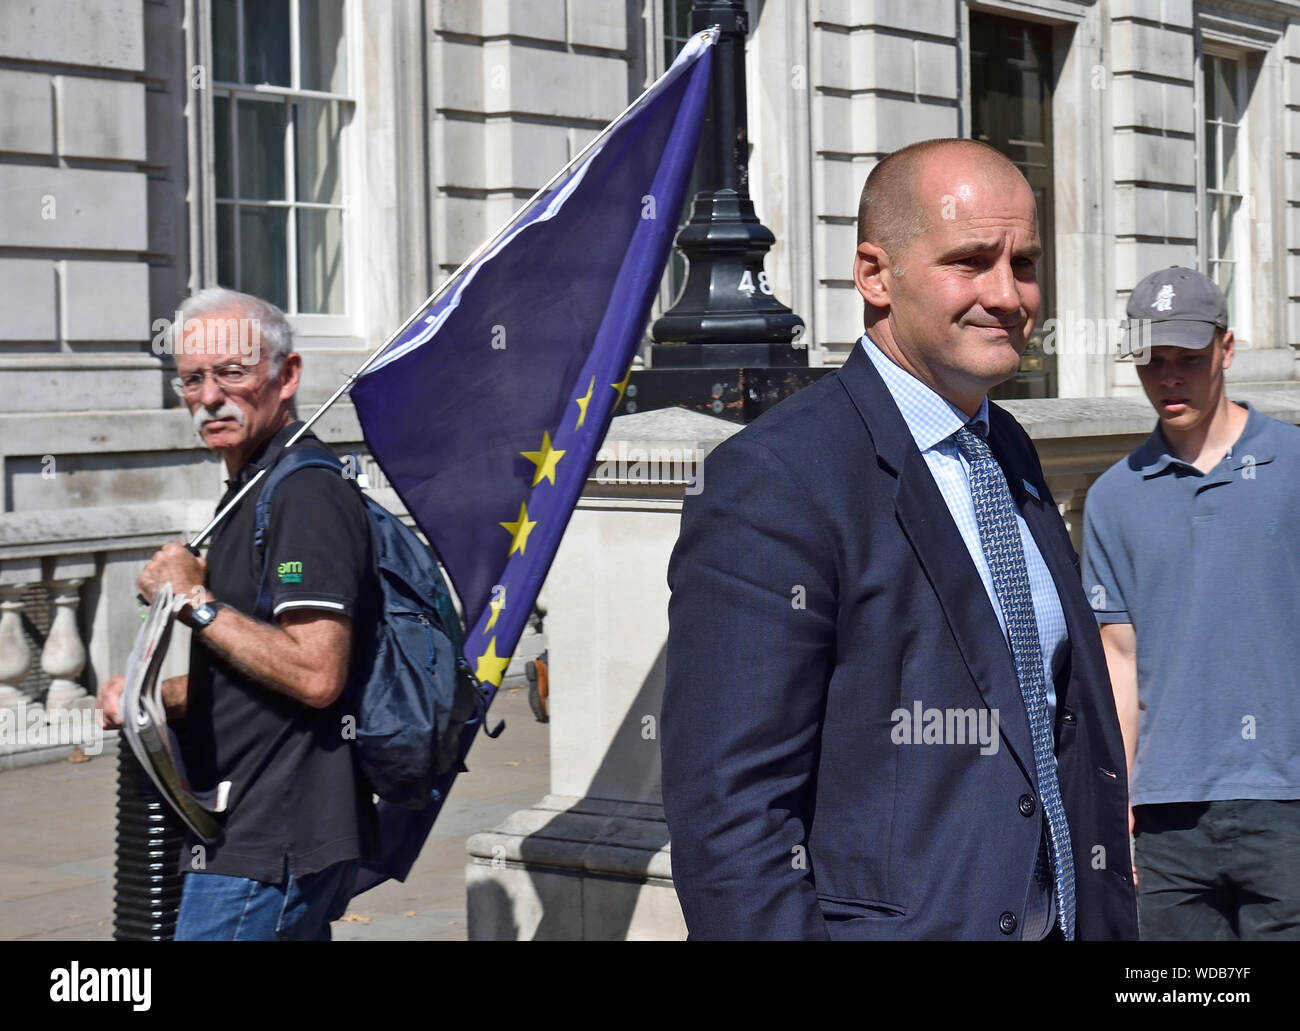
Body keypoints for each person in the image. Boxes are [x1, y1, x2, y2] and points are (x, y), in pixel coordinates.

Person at [661, 138, 1137, 940]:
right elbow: (729, 814)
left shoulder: (1010, 447)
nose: (1008, 293)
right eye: (970, 260)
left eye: (1023, 263)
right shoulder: (775, 480)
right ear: (876, 275)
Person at [101, 287, 377, 941]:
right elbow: (250, 678)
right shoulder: (251, 489)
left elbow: (315, 673)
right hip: (243, 830)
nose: (208, 395)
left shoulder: (306, 492)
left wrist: (194, 599)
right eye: (193, 378)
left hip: (271, 841)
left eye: (231, 372)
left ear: (287, 376)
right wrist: (150, 696)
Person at [1083, 266, 1300, 940]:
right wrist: (1116, 796)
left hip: (1286, 796)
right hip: (1166, 812)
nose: (1168, 378)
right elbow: (1119, 660)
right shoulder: (1113, 497)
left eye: (1188, 360)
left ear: (1226, 350)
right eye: (1152, 362)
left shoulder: (1293, 465)